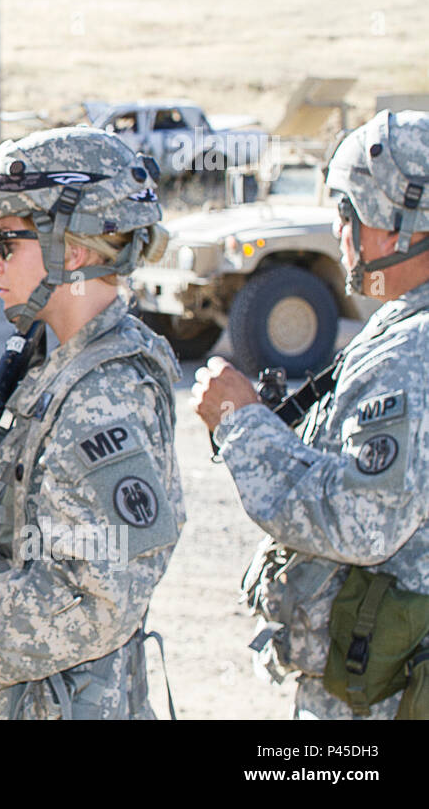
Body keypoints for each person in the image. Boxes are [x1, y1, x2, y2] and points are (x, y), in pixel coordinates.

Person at [0, 126, 182, 719]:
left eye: (8, 241)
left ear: (74, 248)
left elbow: (95, 597)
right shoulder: (47, 362)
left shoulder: (105, 391)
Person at [193, 110, 429, 720]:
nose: (339, 227)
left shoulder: (411, 355)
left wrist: (241, 426)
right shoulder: (399, 325)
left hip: (383, 693)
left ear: (395, 230)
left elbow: (360, 521)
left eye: (348, 210)